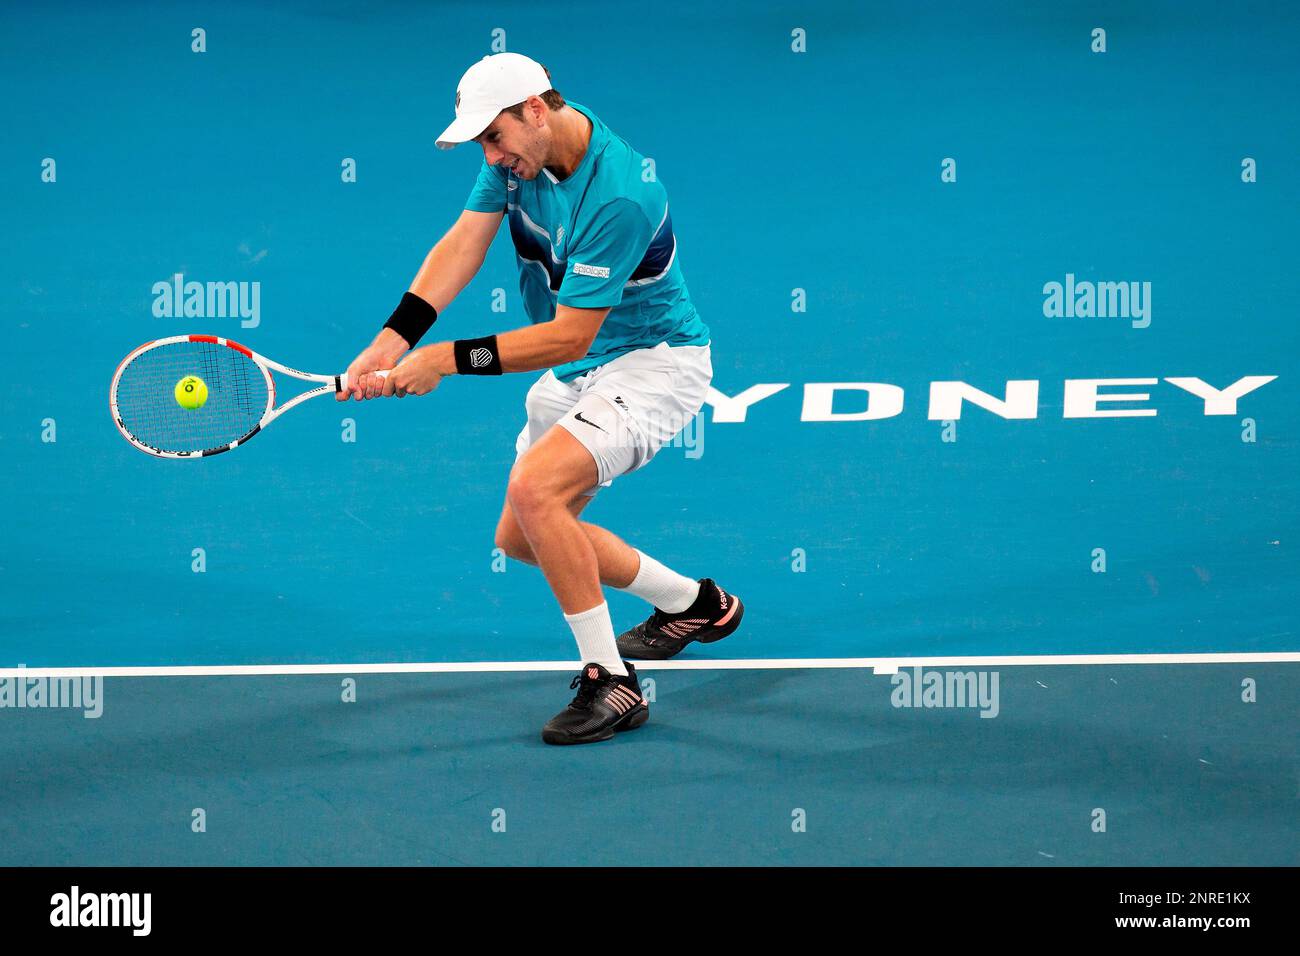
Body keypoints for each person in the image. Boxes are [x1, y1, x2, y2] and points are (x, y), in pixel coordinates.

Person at [339, 52, 743, 745]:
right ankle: (695, 604)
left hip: (654, 363)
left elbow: (566, 337)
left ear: (535, 108)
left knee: (534, 489)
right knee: (523, 536)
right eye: (481, 144)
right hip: (586, 364)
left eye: (493, 137)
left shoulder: (620, 191)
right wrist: (391, 340)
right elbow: (463, 244)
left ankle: (611, 682)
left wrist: (443, 360)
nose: (490, 157)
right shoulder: (514, 157)